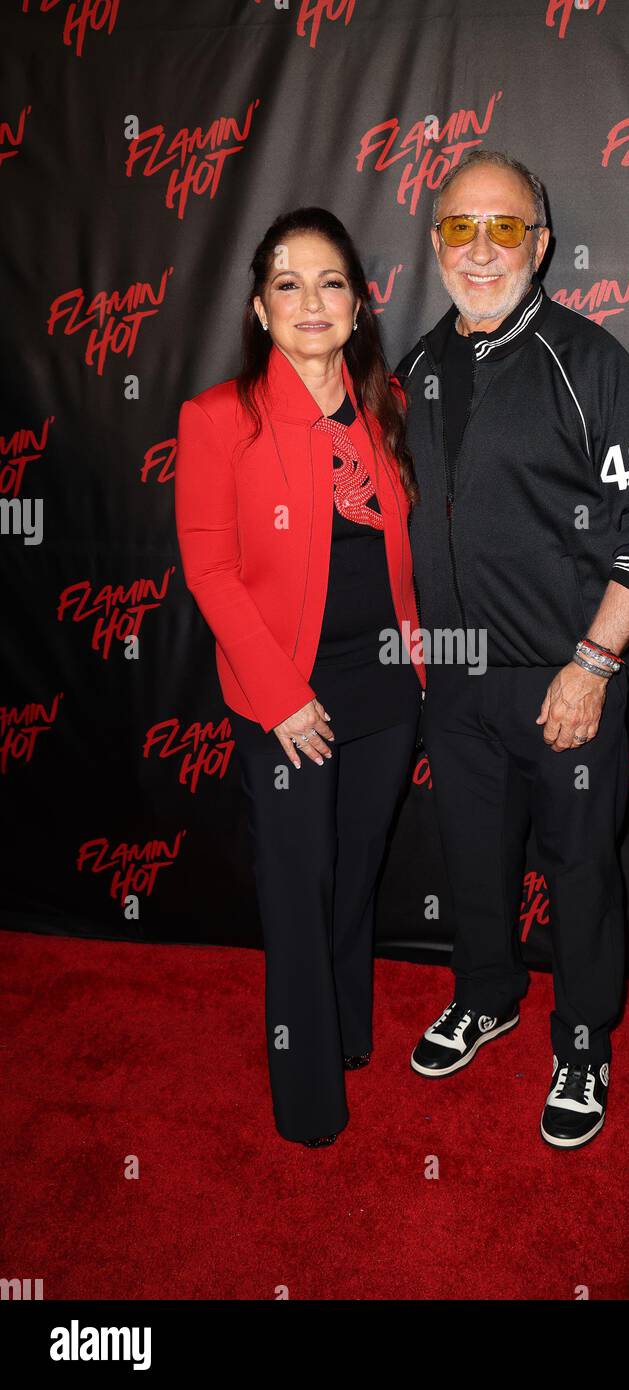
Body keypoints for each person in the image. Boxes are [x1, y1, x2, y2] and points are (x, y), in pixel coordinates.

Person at [395, 150, 629, 1149]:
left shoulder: (588, 360)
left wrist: (593, 665)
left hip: (565, 677)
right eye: (460, 227)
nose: (482, 249)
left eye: (505, 226)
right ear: (435, 241)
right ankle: (487, 993)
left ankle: (582, 1041)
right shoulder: (420, 369)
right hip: (455, 681)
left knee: (577, 870)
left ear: (543, 241)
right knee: (473, 860)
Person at [174, 208, 426, 1147]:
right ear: (258, 306)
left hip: (387, 689)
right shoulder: (215, 418)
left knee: (355, 877)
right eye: (289, 283)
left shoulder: (390, 407)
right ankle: (308, 1091)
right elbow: (209, 571)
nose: (311, 301)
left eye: (330, 283)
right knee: (297, 884)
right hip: (284, 696)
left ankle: (349, 1033)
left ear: (359, 307)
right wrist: (282, 697)